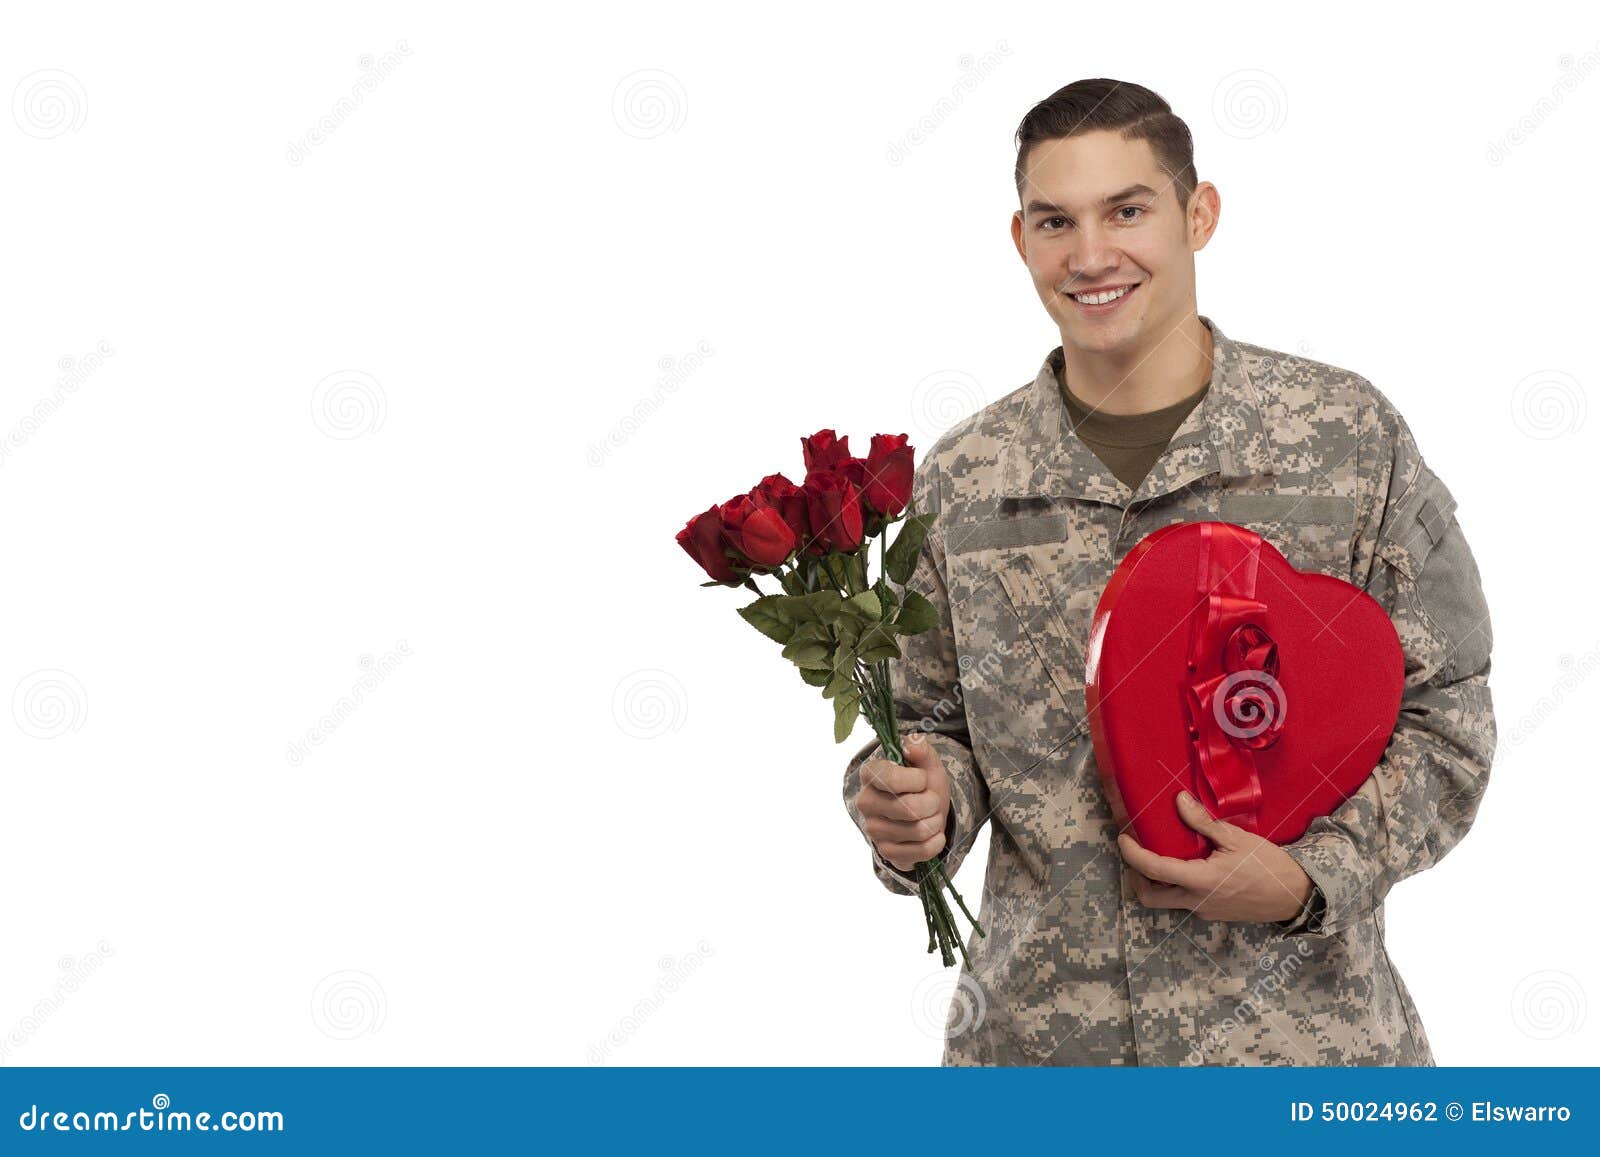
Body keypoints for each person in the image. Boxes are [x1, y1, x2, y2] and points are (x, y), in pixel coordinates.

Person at [843, 78, 1496, 1066]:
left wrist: (1310, 875)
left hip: (1299, 1055)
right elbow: (925, 722)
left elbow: (1446, 714)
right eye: (1055, 220)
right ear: (1019, 240)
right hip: (1043, 1056)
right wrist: (913, 805)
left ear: (1199, 214)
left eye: (1128, 210)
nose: (1091, 254)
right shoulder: (965, 477)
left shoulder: (1344, 437)